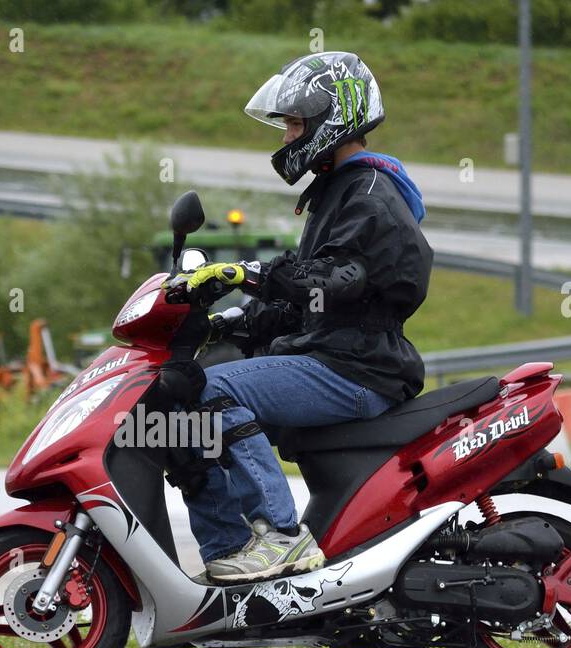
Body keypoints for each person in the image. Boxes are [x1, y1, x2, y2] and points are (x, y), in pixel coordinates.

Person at [165, 51, 434, 584]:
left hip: (356, 367)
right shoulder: (340, 191)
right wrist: (231, 322)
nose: (287, 136)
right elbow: (301, 302)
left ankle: (281, 538)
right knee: (176, 410)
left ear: (331, 121)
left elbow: (334, 283)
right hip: (331, 355)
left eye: (294, 124)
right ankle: (229, 550)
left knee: (208, 392)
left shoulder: (370, 196)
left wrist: (247, 272)